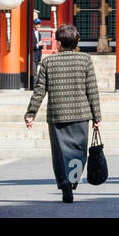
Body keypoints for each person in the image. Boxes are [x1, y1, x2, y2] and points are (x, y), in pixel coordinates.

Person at [24, 24, 101, 203]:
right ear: (76, 43)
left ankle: (64, 181)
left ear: (58, 43)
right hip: (81, 114)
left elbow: (39, 90)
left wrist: (31, 113)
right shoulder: (85, 60)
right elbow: (92, 90)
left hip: (57, 115)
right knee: (79, 151)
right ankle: (73, 181)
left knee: (60, 154)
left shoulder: (48, 62)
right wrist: (97, 116)